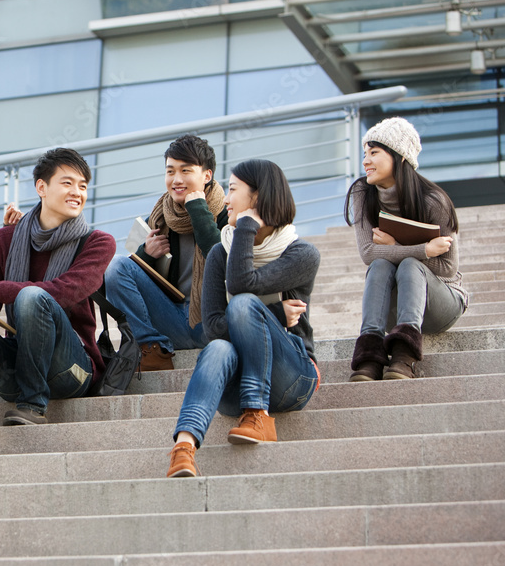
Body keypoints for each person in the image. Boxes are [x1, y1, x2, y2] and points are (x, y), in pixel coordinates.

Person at [0, 147, 117, 456]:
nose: (77, 192)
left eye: (83, 186)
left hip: (71, 370)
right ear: (41, 188)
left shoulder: (97, 243)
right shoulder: (5, 240)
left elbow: (60, 292)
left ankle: (33, 405)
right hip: (18, 364)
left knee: (33, 296)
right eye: (67, 183)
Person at [166, 159, 321, 478]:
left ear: (259, 197)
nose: (225, 199)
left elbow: (241, 286)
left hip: (291, 376)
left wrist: (246, 227)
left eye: (233, 189)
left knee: (242, 305)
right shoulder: (220, 254)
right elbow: (212, 329)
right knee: (218, 349)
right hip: (233, 385)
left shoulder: (301, 254)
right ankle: (184, 446)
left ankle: (258, 413)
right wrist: (278, 313)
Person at [344, 117, 467, 382]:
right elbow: (368, 253)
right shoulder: (362, 193)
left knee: (411, 265)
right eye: (365, 153)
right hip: (394, 305)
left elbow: (447, 268)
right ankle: (370, 355)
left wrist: (397, 249)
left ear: (399, 157)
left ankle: (405, 355)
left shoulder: (434, 200)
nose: (365, 161)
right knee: (379, 264)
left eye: (374, 152)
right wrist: (421, 248)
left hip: (441, 303)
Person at [104, 135, 228, 371]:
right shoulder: (161, 216)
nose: (177, 180)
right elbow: (128, 280)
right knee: (116, 267)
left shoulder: (227, 213)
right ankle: (153, 349)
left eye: (185, 171)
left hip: (212, 323)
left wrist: (198, 209)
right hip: (172, 319)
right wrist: (147, 254)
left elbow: (221, 261)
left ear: (207, 176)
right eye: (170, 172)